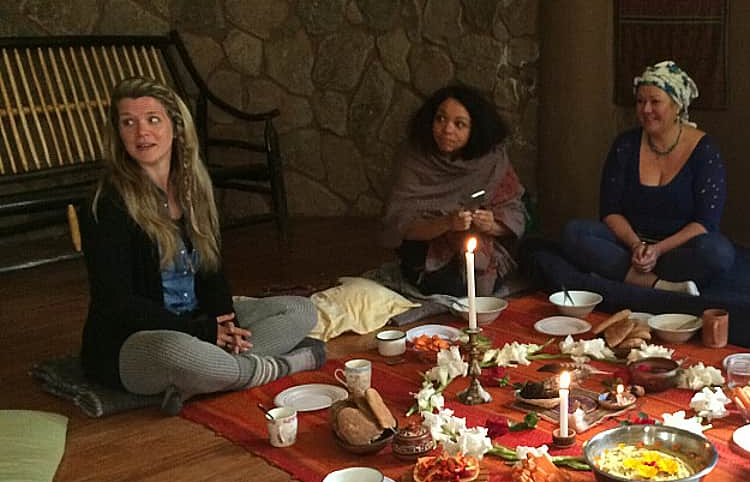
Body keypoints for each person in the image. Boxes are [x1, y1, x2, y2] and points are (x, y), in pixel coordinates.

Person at [80, 77, 323, 415]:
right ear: (118, 134)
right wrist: (203, 332)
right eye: (128, 122)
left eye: (152, 119)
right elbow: (116, 303)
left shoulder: (194, 188)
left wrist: (228, 323)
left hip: (198, 326)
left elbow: (212, 271)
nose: (141, 132)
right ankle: (274, 368)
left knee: (300, 310)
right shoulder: (108, 204)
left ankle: (205, 377)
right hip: (137, 340)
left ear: (175, 128)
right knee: (177, 351)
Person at [561, 60, 734, 296]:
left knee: (718, 253)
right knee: (574, 233)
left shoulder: (704, 150)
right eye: (641, 101)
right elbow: (610, 211)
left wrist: (658, 250)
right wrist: (637, 246)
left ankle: (620, 274)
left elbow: (706, 222)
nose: (646, 110)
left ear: (676, 106)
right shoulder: (625, 145)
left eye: (655, 102)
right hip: (629, 246)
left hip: (676, 250)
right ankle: (660, 285)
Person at [379, 84, 526, 295]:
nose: (447, 129)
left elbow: (515, 212)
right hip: (427, 247)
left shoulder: (492, 160)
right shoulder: (413, 158)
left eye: (459, 124)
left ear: (475, 129)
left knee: (489, 277)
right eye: (440, 119)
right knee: (454, 288)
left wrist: (492, 224)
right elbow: (401, 224)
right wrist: (447, 223)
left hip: (480, 247)